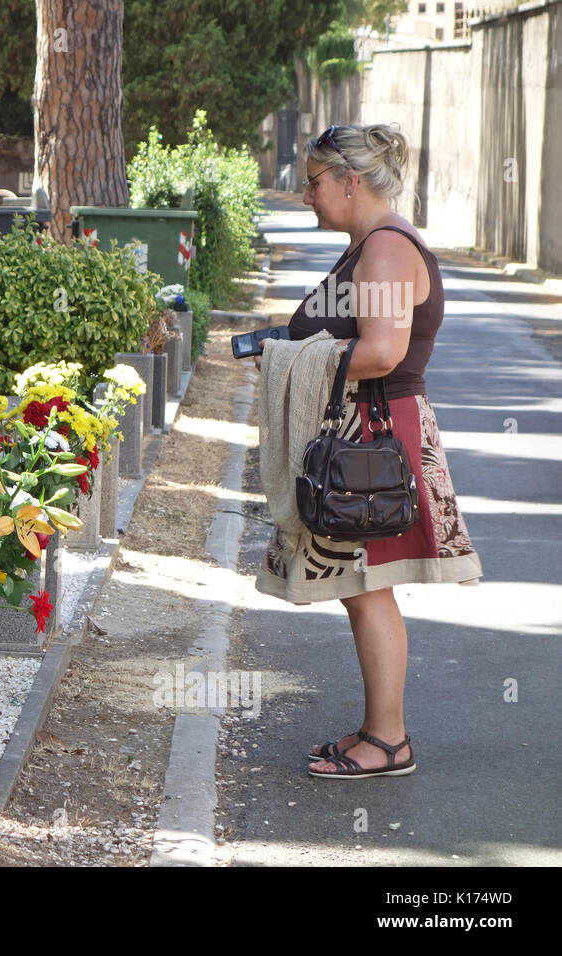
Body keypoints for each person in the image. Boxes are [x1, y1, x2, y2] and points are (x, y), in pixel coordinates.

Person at [252, 123, 483, 779]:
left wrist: (290, 360)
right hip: (366, 433)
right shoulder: (373, 243)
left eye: (314, 182)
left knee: (369, 588)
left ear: (351, 182)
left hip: (373, 438)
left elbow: (383, 352)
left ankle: (388, 742)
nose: (306, 196)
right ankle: (379, 732)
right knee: (362, 588)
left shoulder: (384, 248)